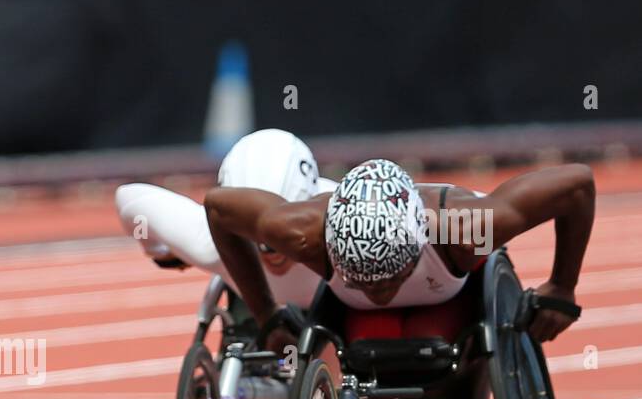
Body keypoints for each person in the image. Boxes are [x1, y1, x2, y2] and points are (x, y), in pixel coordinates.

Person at [203, 157, 592, 351]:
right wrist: (266, 315)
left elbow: (577, 184)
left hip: (454, 284)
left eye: (390, 280)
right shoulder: (300, 232)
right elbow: (218, 207)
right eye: (362, 280)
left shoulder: (465, 229)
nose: (378, 294)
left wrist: (562, 287)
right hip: (351, 311)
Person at [115, 129, 338, 325]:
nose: (272, 251)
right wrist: (163, 252)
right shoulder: (207, 241)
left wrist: (158, 250)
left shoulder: (342, 228)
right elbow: (130, 201)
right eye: (259, 236)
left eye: (280, 232)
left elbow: (131, 202)